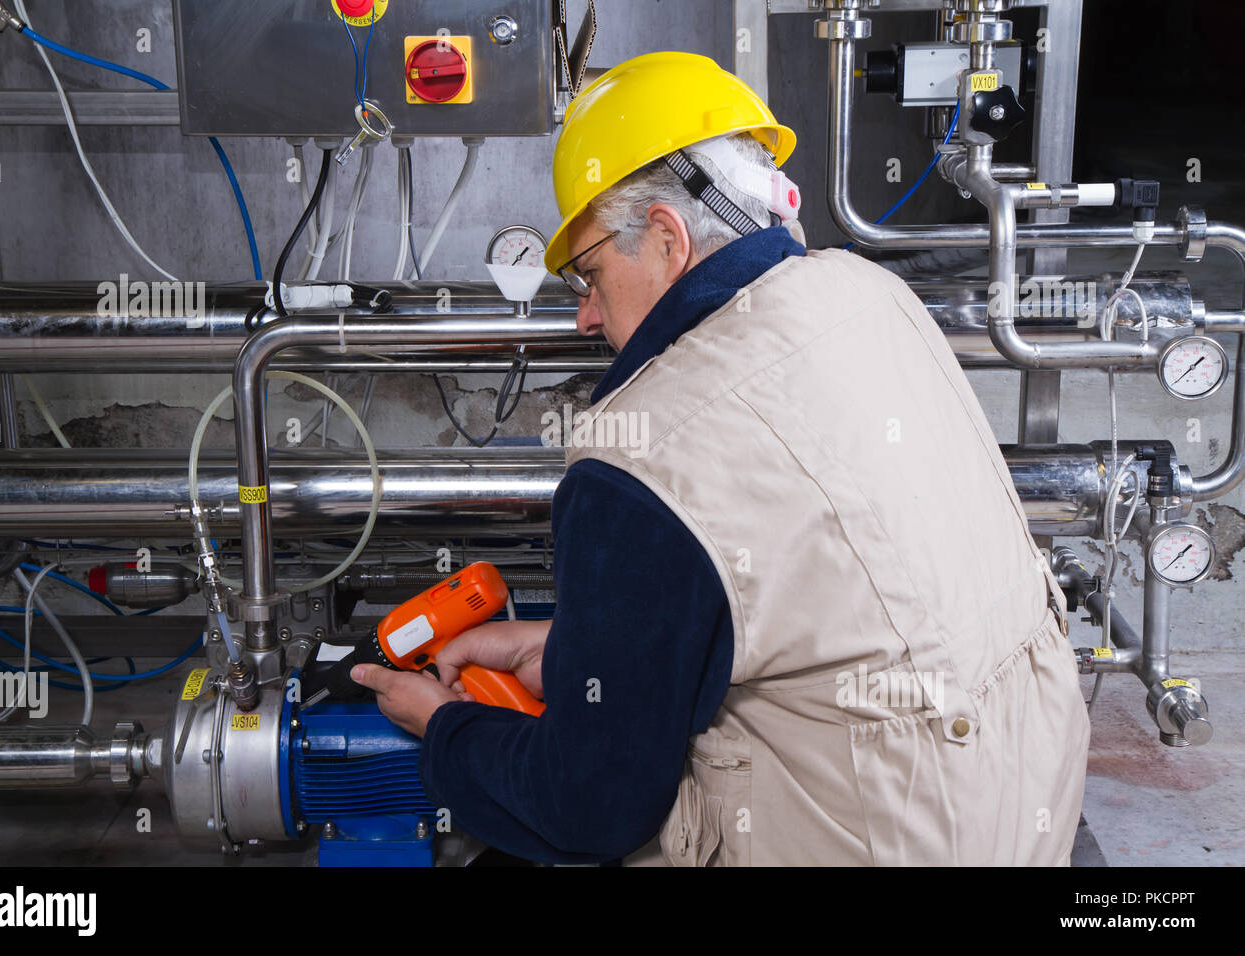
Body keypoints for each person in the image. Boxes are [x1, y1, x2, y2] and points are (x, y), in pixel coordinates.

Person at [352, 51, 1090, 866]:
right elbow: (822, 598)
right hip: (1023, 814)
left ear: (667, 238)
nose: (585, 319)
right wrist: (573, 654)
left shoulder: (641, 458)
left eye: (589, 275)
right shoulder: (870, 295)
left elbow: (585, 809)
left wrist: (444, 729)